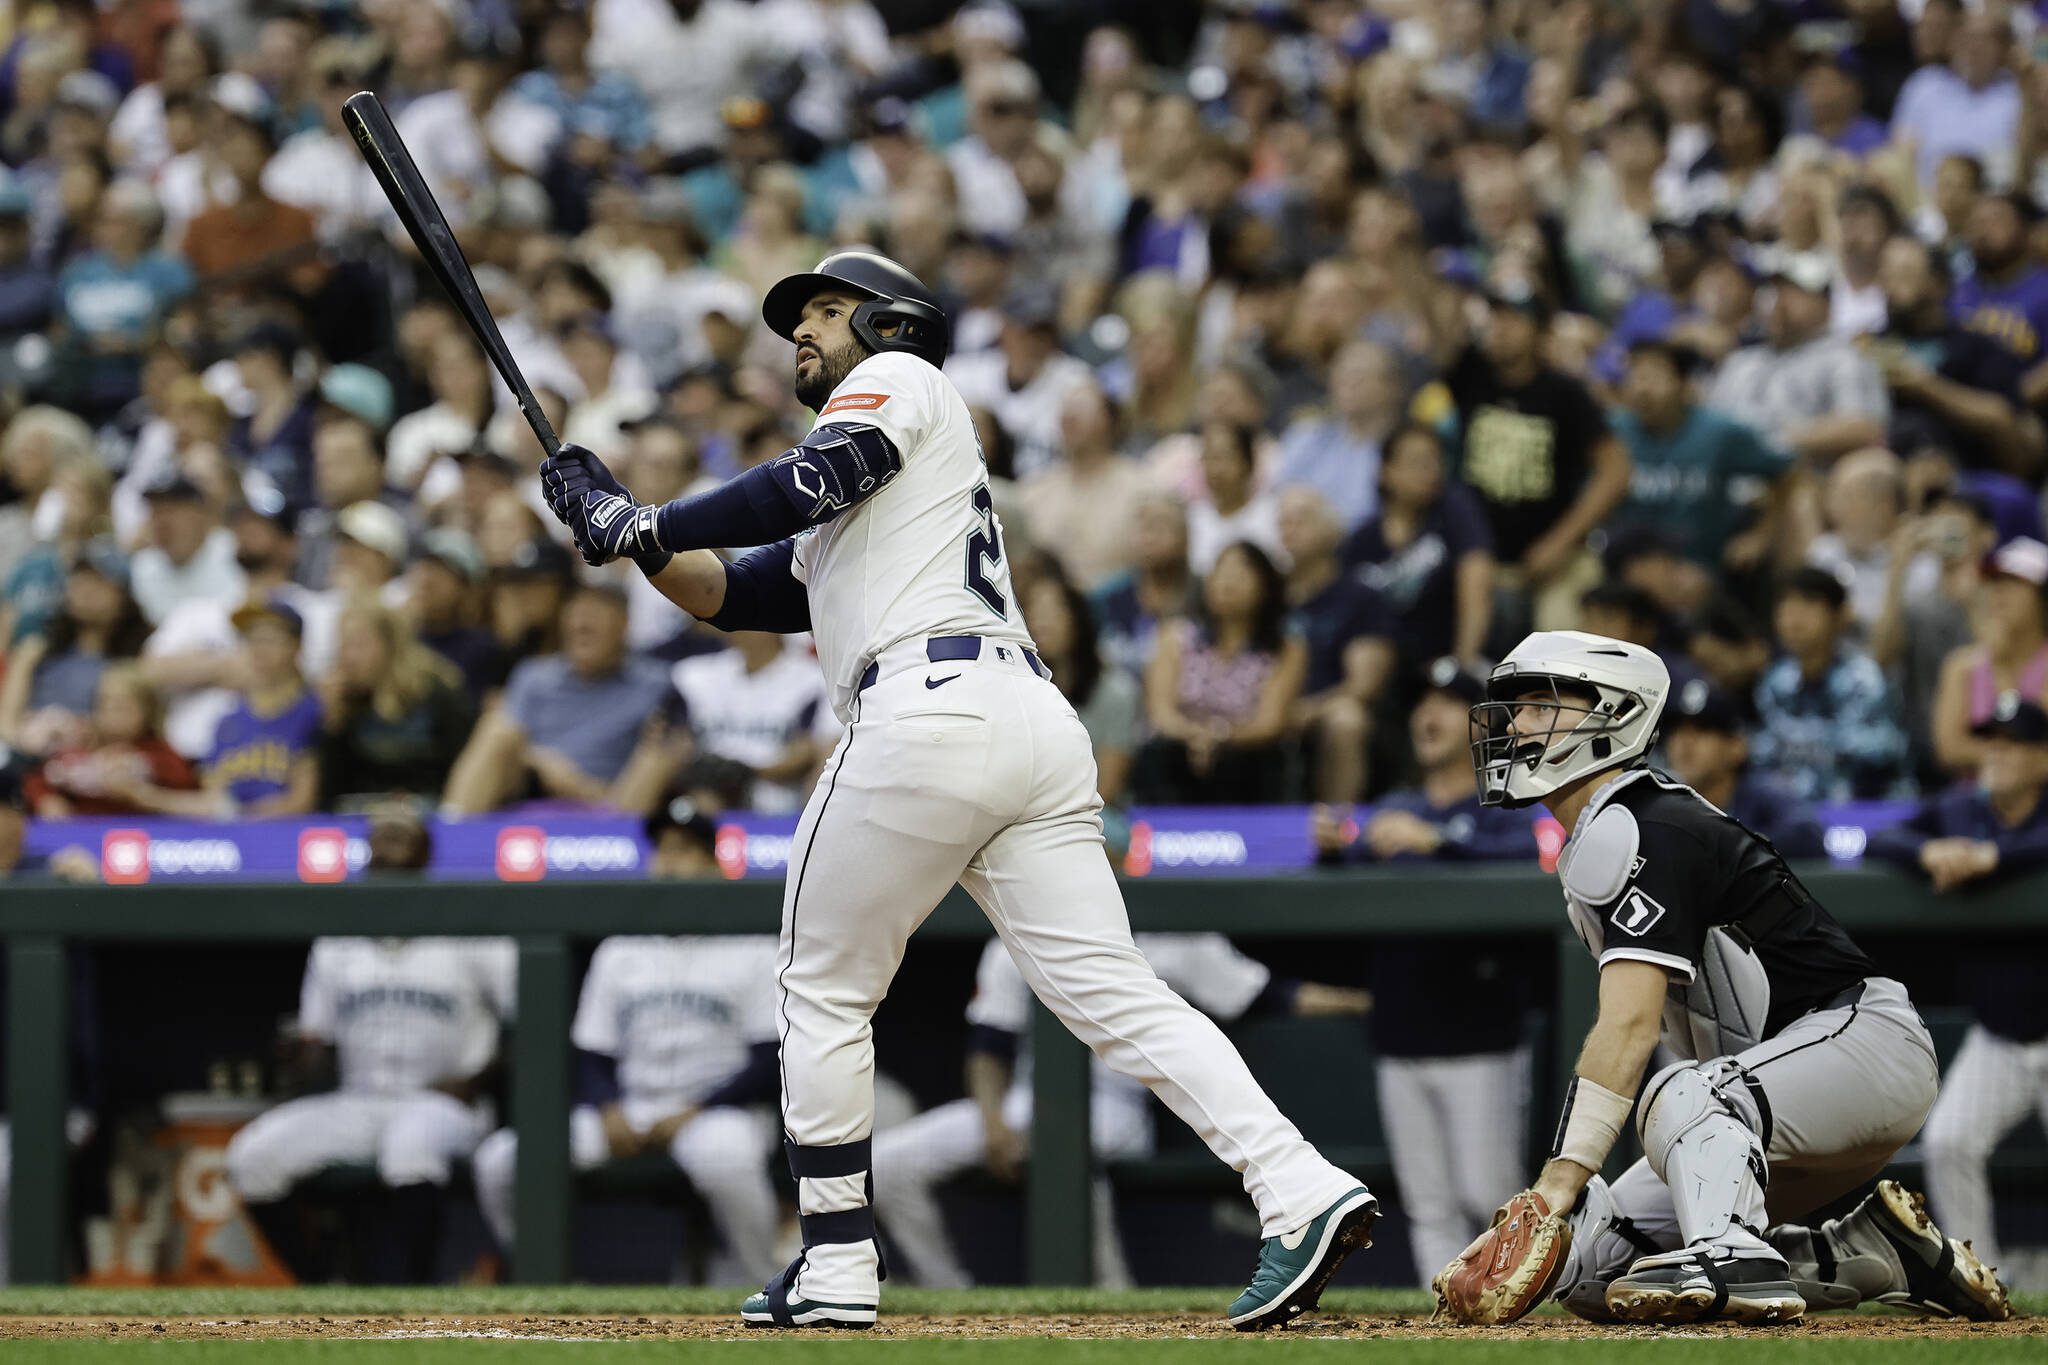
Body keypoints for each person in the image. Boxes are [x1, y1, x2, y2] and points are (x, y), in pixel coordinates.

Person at [539, 250, 1378, 1329]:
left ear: (890, 324)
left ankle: (836, 1260)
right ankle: (1299, 1187)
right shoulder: (885, 489)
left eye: (827, 311)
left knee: (820, 985)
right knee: (1111, 995)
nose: (801, 330)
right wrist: (621, 522)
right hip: (1015, 723)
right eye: (797, 317)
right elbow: (736, 594)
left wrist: (644, 522)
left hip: (925, 717)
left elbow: (807, 480)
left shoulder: (901, 383)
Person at [1443, 629, 2009, 1325]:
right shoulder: (1609, 828)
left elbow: (1629, 1028)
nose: (1516, 723)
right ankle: (1871, 1250)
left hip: (1864, 1042)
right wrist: (1531, 1233)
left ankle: (1732, 1250)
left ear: (1615, 714)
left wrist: (1554, 1185)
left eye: (1540, 704)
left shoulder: (1647, 824)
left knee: (1674, 1092)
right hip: (1775, 1088)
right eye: (1517, 707)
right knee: (1599, 1268)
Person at [875, 934, 1368, 1288]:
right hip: (1021, 1102)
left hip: (1117, 1106)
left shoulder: (1172, 933)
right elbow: (990, 1043)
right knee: (886, 1162)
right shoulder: (1016, 930)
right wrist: (993, 1123)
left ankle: (1109, 1296)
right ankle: (945, 1290)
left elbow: (1267, 995)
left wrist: (1361, 1002)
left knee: (1063, 1146)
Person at [1311, 660, 1538, 1287]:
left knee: (1486, 1190)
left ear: (1482, 727)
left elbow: (1528, 859)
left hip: (1480, 1035)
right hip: (1401, 1034)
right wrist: (1329, 850)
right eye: (1422, 703)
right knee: (1428, 1201)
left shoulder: (1502, 807)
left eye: (1448, 704)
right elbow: (1340, 869)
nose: (1428, 716)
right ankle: (1447, 1321)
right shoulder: (1394, 809)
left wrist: (1436, 841)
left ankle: (1514, 1310)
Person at [472, 933, 781, 1288]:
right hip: (631, 1105)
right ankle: (544, 1282)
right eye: (669, 869)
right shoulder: (620, 949)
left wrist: (699, 1109)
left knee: (728, 1159)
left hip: (719, 1109)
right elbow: (591, 1053)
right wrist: (608, 1106)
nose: (679, 872)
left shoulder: (755, 948)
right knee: (499, 1162)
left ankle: (762, 1282)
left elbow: (768, 1059)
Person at [1868, 693, 2048, 1274]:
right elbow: (1878, 839)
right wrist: (1931, 851)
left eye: (2013, 743)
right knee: (1949, 1142)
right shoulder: (1961, 810)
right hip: (2001, 1036)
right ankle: (1981, 1276)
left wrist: (1998, 857)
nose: (1996, 753)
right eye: (1990, 740)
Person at [225, 936, 516, 1285]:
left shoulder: (475, 935)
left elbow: (533, 1025)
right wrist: (302, 1056)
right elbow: (319, 1042)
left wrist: (476, 1081)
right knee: (253, 1157)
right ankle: (322, 1287)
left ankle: (416, 1292)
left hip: (447, 1103)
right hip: (360, 1099)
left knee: (411, 1146)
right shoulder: (336, 944)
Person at [1445, 287, 1632, 637]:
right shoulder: (1472, 377)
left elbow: (1616, 470)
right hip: (1483, 558)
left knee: (1560, 648)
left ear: (1541, 332)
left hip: (1556, 560)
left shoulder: (1565, 393)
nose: (1500, 328)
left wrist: (1561, 541)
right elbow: (1431, 324)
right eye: (1495, 317)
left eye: (1514, 318)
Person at [441, 584, 675, 815]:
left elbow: (661, 759)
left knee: (663, 747)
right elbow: (508, 740)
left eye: (595, 615)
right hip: (530, 792)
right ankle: (451, 832)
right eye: (575, 614)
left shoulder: (654, 684)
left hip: (610, 802)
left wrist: (579, 786)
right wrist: (546, 765)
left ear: (624, 624)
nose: (582, 625)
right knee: (496, 730)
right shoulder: (534, 676)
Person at [119, 596, 322, 818]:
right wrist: (146, 796)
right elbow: (214, 801)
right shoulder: (228, 722)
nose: (259, 649)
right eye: (252, 638)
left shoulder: (315, 712)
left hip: (295, 839)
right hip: (236, 840)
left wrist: (241, 816)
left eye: (271, 639)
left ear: (296, 645)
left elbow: (302, 801)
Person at [1137, 541, 1307, 805]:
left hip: (1247, 752)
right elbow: (1161, 713)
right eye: (1221, 572)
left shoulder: (1286, 647)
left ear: (1265, 586)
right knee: (1160, 751)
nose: (1228, 583)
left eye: (1240, 574)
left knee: (1252, 759)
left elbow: (1270, 722)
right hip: (1181, 746)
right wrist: (1196, 736)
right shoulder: (1175, 636)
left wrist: (1221, 736)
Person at [1609, 340, 1794, 572]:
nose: (1641, 389)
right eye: (1634, 377)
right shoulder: (1610, 433)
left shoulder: (1720, 432)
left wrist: (1760, 536)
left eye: (1653, 378)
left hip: (1701, 566)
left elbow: (1788, 474)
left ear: (1684, 384)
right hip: (1623, 565)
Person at [1705, 257, 1890, 463]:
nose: (1778, 302)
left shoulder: (1845, 357)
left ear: (1824, 301)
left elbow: (1864, 428)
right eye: (1774, 291)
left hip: (1799, 476)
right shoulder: (1741, 360)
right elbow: (1707, 427)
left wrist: (1773, 441)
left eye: (1792, 292)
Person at [1750, 567, 1912, 801]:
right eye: (1785, 605)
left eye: (1809, 603)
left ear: (1839, 616)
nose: (1794, 616)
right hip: (1791, 813)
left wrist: (1802, 742)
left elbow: (1883, 749)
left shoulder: (1863, 679)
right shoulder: (1775, 681)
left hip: (1861, 808)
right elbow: (1762, 752)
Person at [1341, 424, 1494, 672]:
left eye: (1435, 461)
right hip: (1386, 668)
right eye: (1416, 462)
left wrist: (1461, 666)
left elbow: (1476, 579)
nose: (1430, 471)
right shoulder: (1362, 540)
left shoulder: (1454, 510)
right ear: (1385, 470)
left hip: (1442, 657)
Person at [1280, 488, 1393, 804]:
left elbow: (1364, 685)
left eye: (1301, 520)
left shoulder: (1359, 596)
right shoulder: (1269, 595)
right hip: (1269, 705)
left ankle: (1338, 831)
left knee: (1347, 718)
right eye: (1283, 522)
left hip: (1325, 708)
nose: (1289, 529)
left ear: (1332, 530)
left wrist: (1307, 710)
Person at [318, 596, 477, 808]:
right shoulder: (345, 702)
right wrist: (332, 723)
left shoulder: (435, 692)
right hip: (361, 813)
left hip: (432, 810)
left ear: (390, 645)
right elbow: (330, 792)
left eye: (359, 645)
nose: (349, 657)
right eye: (344, 645)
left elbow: (462, 762)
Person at [670, 630, 831, 815]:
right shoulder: (696, 674)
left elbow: (809, 747)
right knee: (703, 792)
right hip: (705, 788)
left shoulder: (812, 678)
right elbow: (674, 739)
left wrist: (747, 772)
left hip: (773, 795)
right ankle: (631, 834)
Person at [1660, 680, 1826, 858]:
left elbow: (1808, 835)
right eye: (1676, 731)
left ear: (1737, 746)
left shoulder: (1764, 792)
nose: (1685, 742)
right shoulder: (1663, 801)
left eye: (1702, 730)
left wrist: (1725, 849)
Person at [1928, 536, 2048, 778]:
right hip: (1976, 804)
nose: (2000, 592)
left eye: (2015, 582)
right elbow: (1948, 749)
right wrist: (2023, 758)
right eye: (1995, 582)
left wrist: (2000, 668)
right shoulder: (1961, 665)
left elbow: (2025, 733)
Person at [1021, 567, 1140, 806]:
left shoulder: (1117, 692)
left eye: (1053, 611)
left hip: (1097, 812)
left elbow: (1107, 789)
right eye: (1034, 612)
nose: (1041, 622)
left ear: (1078, 618)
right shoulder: (1019, 690)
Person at [22, 663, 196, 817]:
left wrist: (143, 791)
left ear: (147, 711)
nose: (112, 712)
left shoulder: (160, 754)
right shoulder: (81, 750)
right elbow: (39, 779)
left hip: (141, 838)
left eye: (122, 706)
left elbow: (186, 782)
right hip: (83, 836)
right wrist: (46, 799)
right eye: (105, 703)